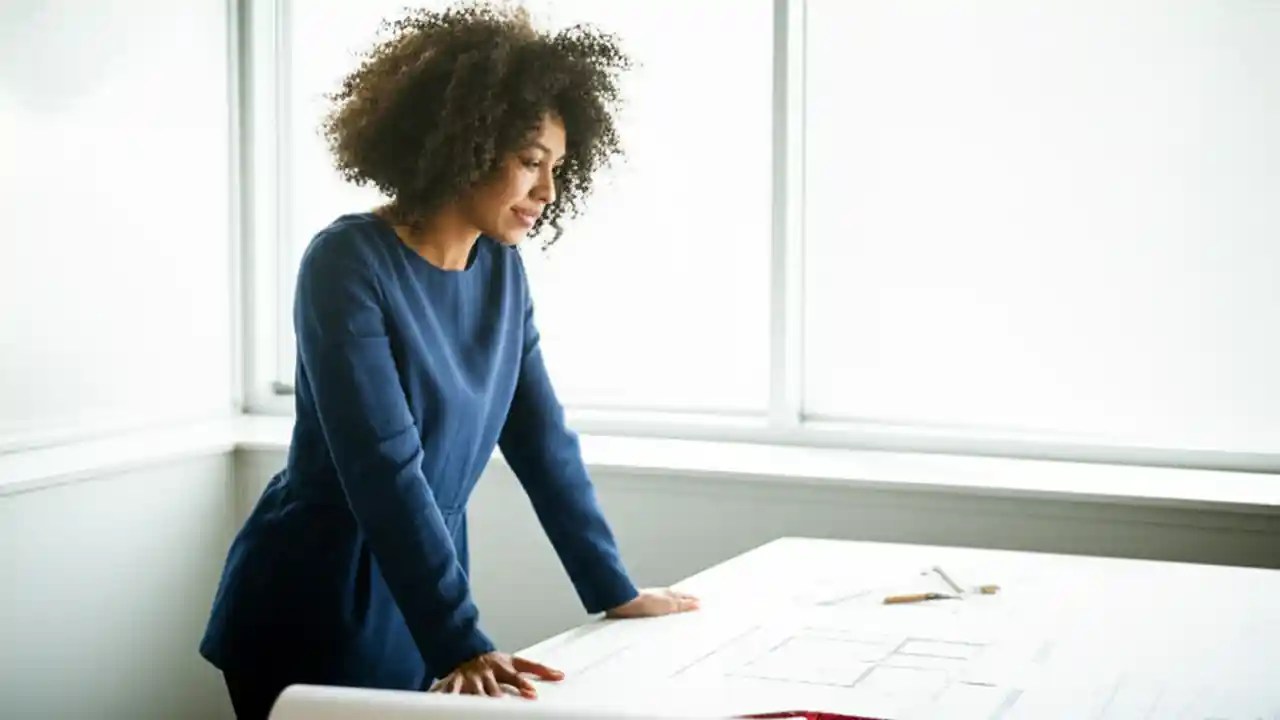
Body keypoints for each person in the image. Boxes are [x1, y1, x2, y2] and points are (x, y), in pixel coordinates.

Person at [198, 3, 699, 717]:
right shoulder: (345, 263)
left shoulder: (502, 272)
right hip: (315, 598)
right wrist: (458, 637)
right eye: (530, 162)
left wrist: (612, 588)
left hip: (422, 597)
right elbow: (383, 465)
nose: (548, 193)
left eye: (557, 168)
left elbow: (543, 442)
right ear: (465, 141)